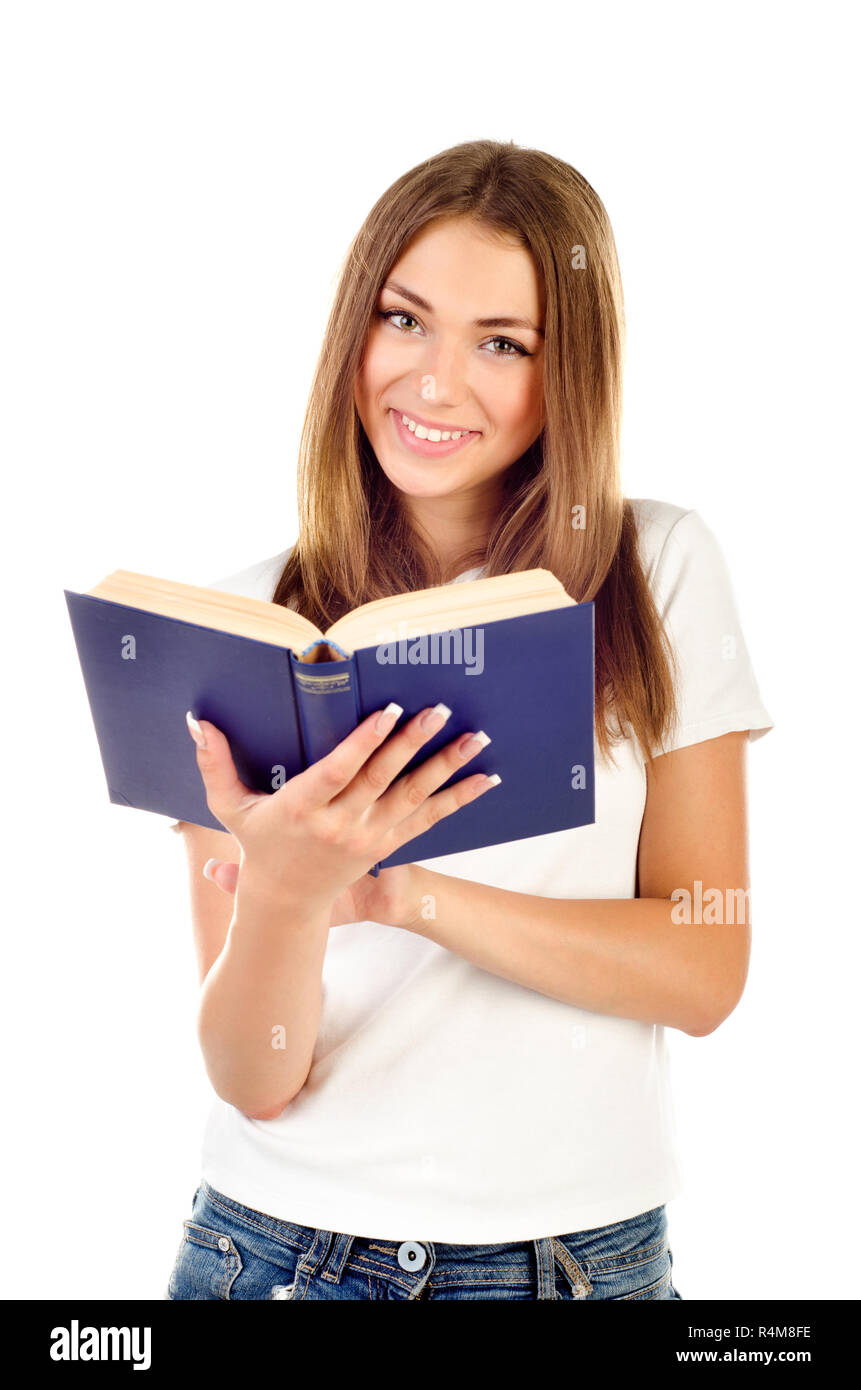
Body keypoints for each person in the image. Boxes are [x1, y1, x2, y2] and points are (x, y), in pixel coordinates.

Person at [165, 139, 773, 1301]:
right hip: (282, 1258)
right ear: (356, 332)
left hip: (580, 1264)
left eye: (502, 343)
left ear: (567, 376)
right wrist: (288, 896)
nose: (435, 383)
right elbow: (255, 1079)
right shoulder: (250, 626)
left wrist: (405, 893)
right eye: (404, 321)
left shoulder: (658, 574)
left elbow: (705, 964)